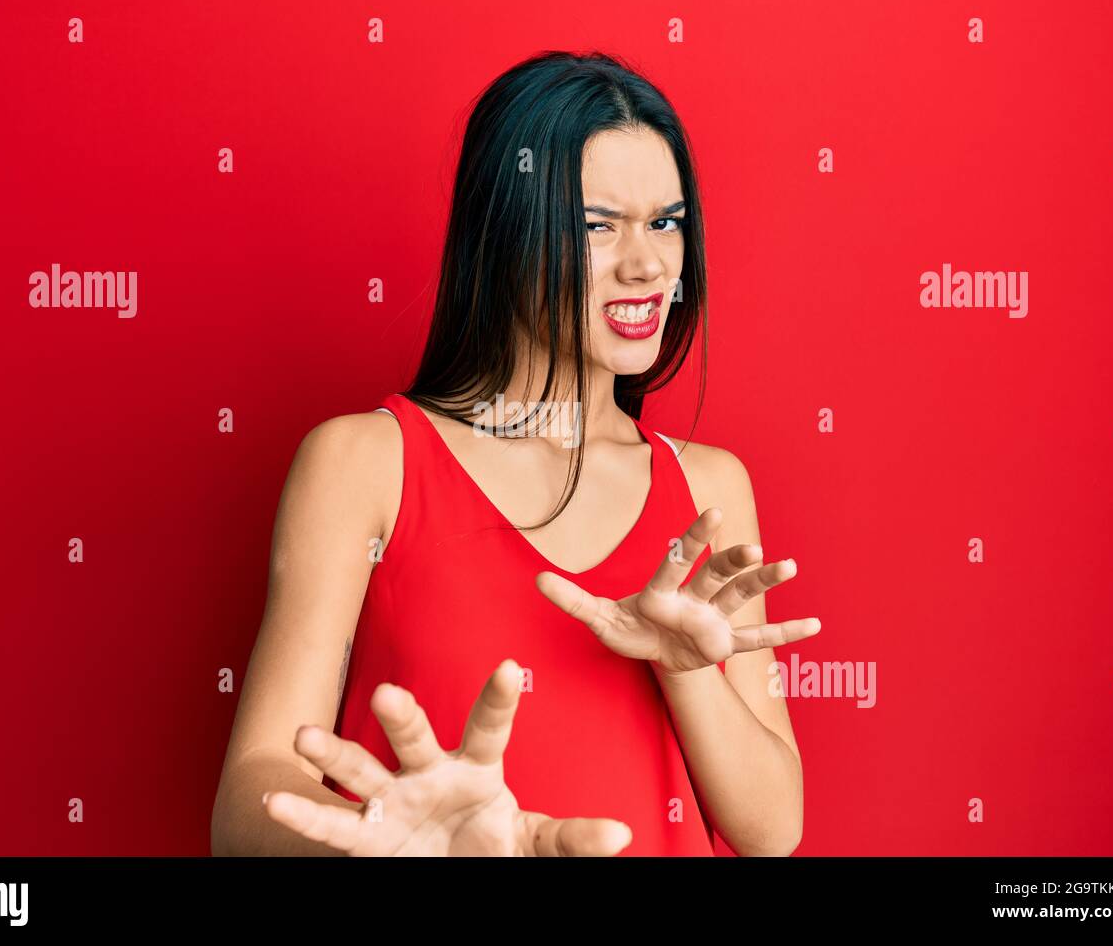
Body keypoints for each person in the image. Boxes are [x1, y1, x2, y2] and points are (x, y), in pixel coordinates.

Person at [211, 50, 821, 857]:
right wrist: (389, 848)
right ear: (503, 234)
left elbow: (772, 832)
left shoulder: (710, 485)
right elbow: (249, 798)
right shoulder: (366, 462)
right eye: (596, 226)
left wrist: (684, 670)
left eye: (665, 222)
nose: (647, 266)